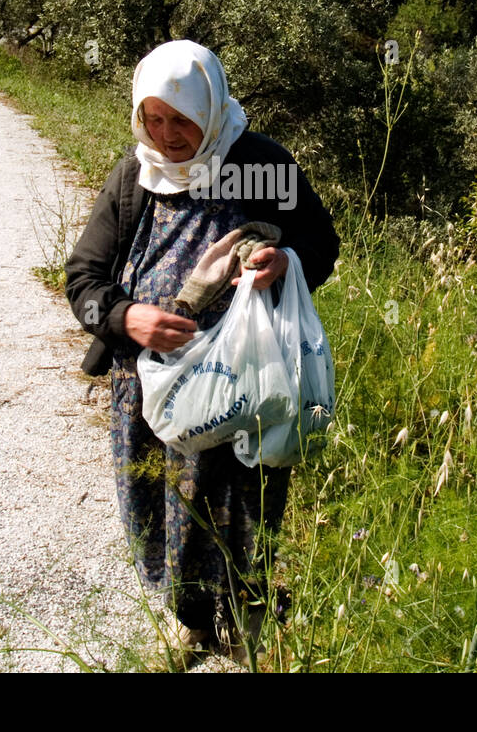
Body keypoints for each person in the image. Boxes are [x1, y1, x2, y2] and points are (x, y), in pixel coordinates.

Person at [64, 39, 339, 657]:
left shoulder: (260, 164)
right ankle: (187, 617)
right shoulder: (135, 176)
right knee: (157, 497)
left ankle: (247, 616)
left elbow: (322, 242)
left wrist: (285, 261)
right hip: (153, 383)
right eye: (152, 119)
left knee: (247, 494)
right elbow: (82, 275)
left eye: (181, 119)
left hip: (245, 373)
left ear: (210, 108)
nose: (167, 135)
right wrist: (126, 318)